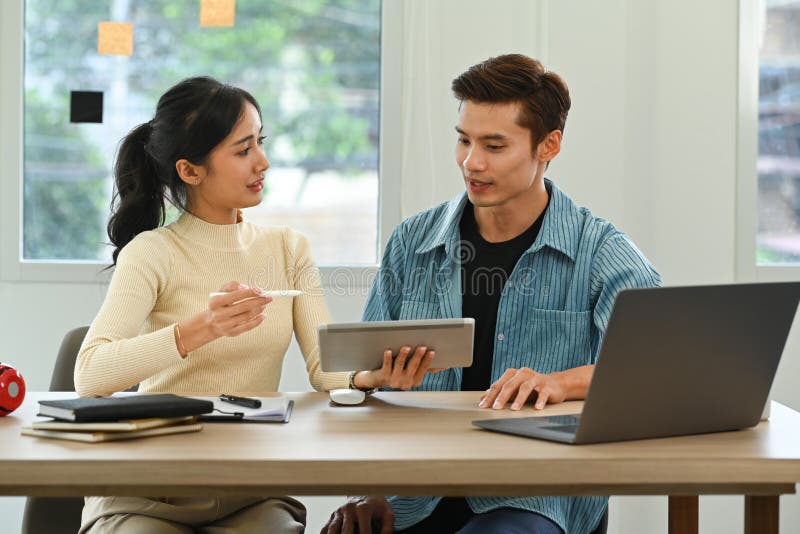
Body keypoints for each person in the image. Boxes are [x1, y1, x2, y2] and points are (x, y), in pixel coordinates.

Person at [322, 54, 661, 534]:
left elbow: (652, 367)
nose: (471, 162)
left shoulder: (600, 250)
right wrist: (364, 483)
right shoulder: (412, 242)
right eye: (463, 139)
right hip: (412, 488)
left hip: (533, 495)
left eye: (494, 145)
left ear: (549, 145)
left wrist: (560, 382)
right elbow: (359, 379)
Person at [74, 76, 354, 533]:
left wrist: (369, 375)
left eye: (260, 143)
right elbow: (90, 375)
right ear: (190, 171)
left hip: (251, 490)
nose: (262, 161)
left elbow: (326, 369)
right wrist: (199, 329)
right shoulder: (151, 252)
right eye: (243, 150)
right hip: (149, 493)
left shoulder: (289, 249)